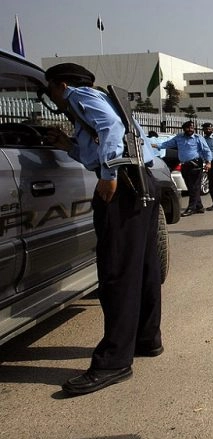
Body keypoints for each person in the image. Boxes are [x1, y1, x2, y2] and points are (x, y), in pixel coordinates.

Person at [43, 63, 163, 395]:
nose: (52, 97)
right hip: (142, 180)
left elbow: (110, 128)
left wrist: (109, 175)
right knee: (143, 268)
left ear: (62, 85)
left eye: (50, 89)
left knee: (117, 273)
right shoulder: (100, 99)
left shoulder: (79, 96)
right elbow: (98, 145)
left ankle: (113, 362)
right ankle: (146, 339)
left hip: (123, 184)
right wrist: (68, 145)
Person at [156, 121, 212, 216]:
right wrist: (155, 145)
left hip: (195, 164)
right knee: (190, 186)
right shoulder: (179, 137)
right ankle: (199, 206)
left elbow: (206, 150)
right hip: (184, 165)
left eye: (192, 128)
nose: (190, 130)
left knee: (194, 186)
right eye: (188, 128)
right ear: (184, 128)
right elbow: (168, 144)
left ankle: (191, 208)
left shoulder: (198, 138)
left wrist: (208, 162)